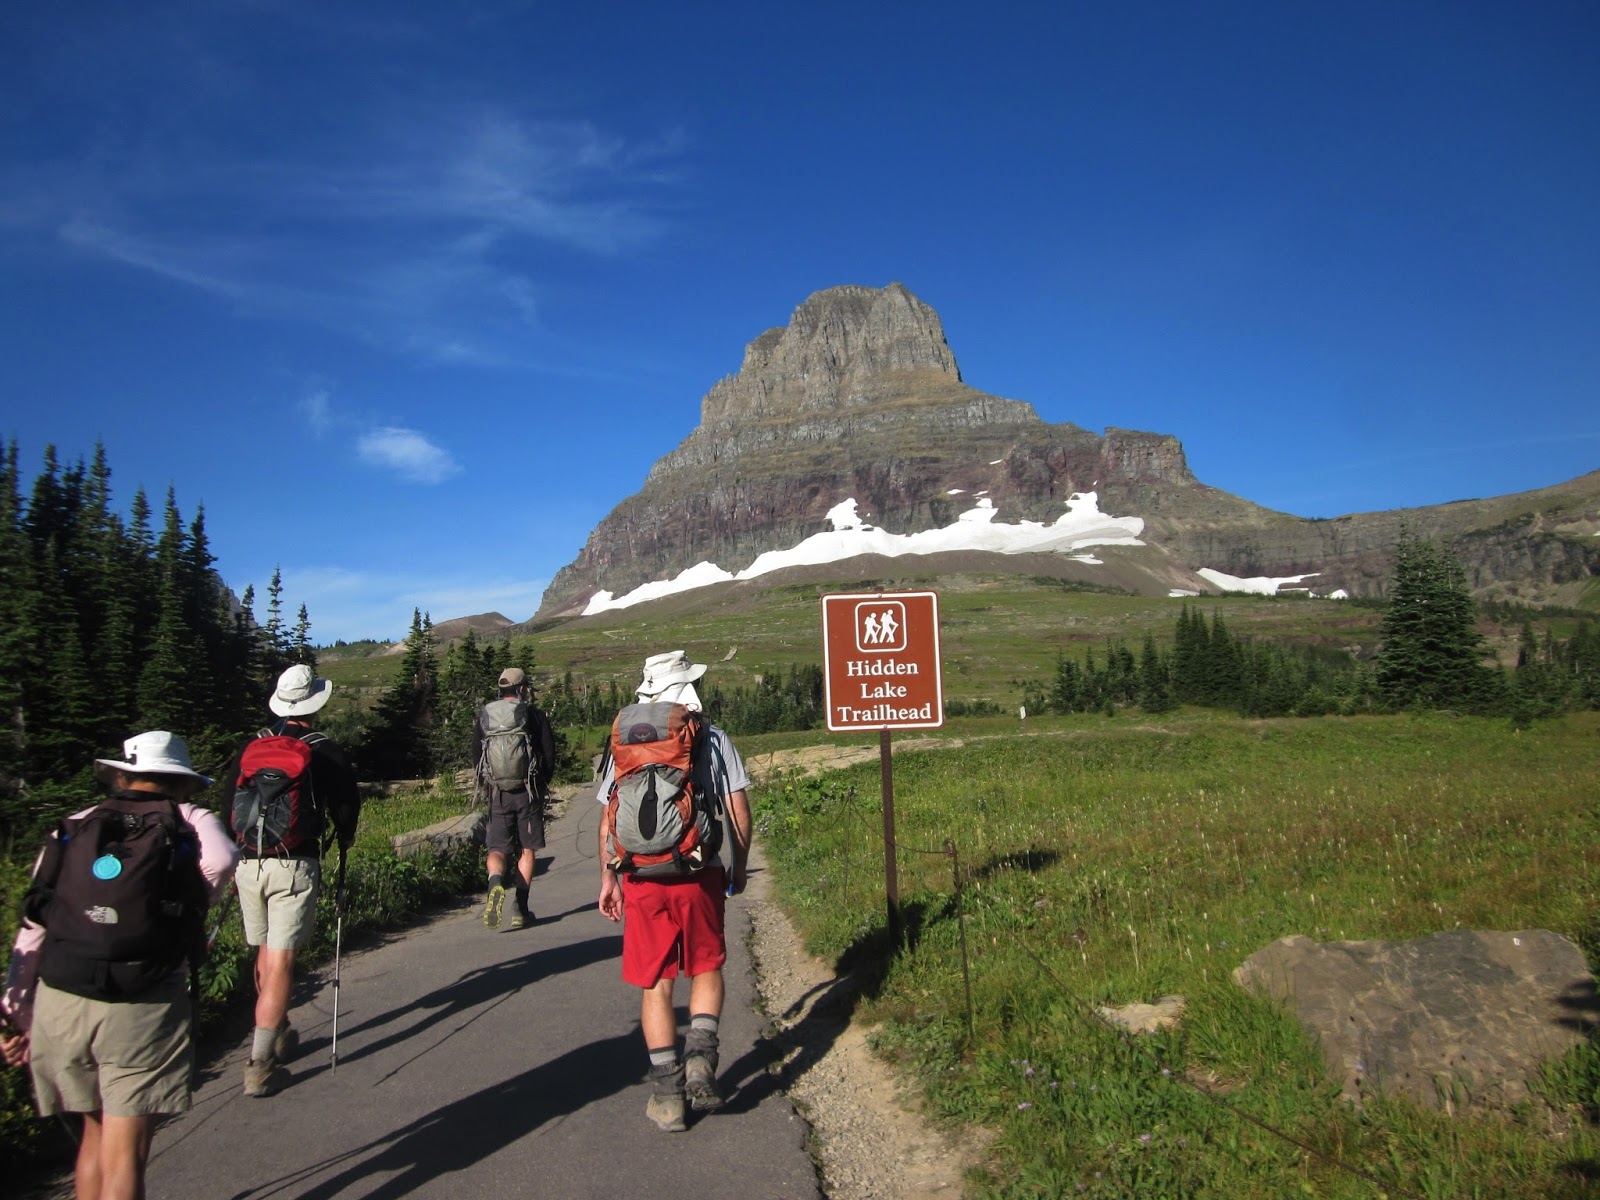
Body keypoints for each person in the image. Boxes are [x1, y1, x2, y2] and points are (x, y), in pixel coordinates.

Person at [1, 731, 240, 1200]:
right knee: (127, 1151)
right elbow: (224, 858)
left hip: (63, 996)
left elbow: (36, 921)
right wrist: (184, 915)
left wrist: (17, 1010)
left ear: (123, 773)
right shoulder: (187, 817)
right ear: (181, 782)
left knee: (94, 1135)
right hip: (140, 999)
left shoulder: (75, 825)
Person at [597, 650, 752, 1132]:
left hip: (642, 879)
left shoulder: (623, 740)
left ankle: (668, 1097)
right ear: (688, 688)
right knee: (705, 966)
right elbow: (738, 810)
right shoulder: (712, 737)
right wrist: (739, 866)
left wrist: (609, 878)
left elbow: (608, 817)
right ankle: (702, 1057)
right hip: (697, 872)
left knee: (656, 984)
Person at [226, 663, 360, 1097]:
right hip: (294, 862)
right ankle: (261, 1063)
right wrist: (345, 838)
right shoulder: (324, 751)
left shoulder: (254, 746)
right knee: (283, 959)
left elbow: (229, 802)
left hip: (250, 862)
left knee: (264, 954)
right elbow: (345, 809)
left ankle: (277, 1025)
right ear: (313, 704)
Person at [470, 667, 556, 931]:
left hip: (498, 794)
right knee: (526, 849)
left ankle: (495, 882)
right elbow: (549, 754)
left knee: (496, 849)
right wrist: (542, 784)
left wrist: (488, 785)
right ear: (522, 689)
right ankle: (520, 907)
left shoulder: (486, 716)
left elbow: (477, 756)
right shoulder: (533, 715)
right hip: (528, 791)